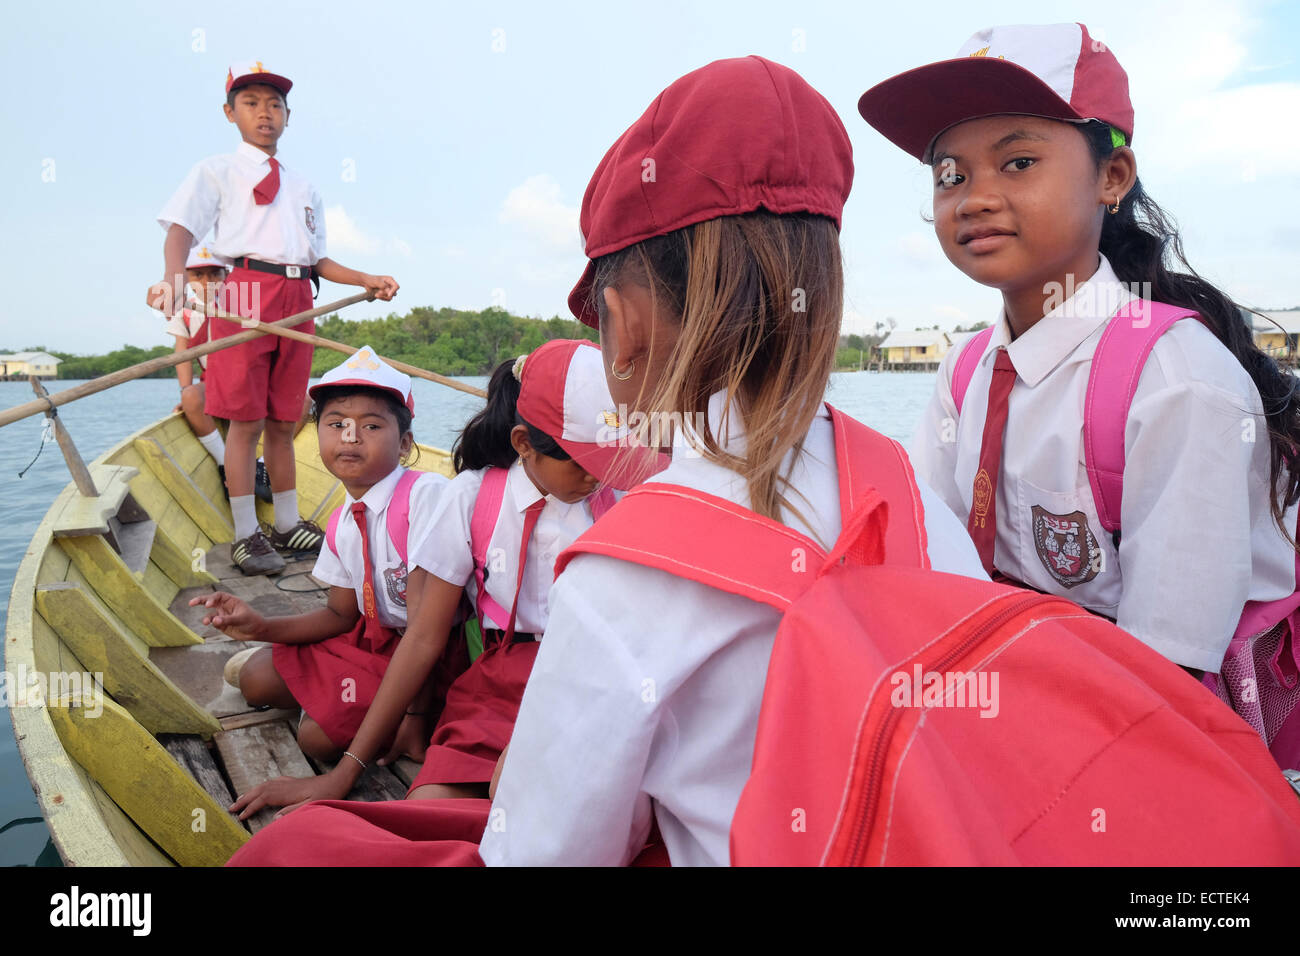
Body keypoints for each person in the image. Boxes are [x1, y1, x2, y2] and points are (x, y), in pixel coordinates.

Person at [226, 55, 985, 867]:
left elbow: (549, 853)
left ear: (621, 324)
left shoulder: (629, 573)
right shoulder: (926, 511)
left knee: (297, 850)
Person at [858, 23, 1300, 763]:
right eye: (951, 175)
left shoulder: (1174, 380)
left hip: (1160, 748)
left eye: (1019, 161)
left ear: (1112, 178)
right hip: (1015, 715)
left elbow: (1170, 675)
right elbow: (933, 580)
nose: (974, 198)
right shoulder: (965, 370)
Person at [222, 339, 663, 822]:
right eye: (581, 461)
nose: (599, 476)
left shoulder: (620, 494)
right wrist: (344, 773)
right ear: (523, 444)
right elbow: (423, 635)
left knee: (594, 804)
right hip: (502, 672)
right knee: (429, 814)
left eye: (608, 458)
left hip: (593, 673)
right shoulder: (471, 498)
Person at [148, 61, 400, 575]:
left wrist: (364, 280)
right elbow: (180, 231)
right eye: (251, 103)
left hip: (298, 295)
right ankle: (247, 534)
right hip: (241, 290)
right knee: (244, 423)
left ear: (288, 116)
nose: (265, 113)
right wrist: (175, 277)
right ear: (229, 113)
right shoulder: (215, 170)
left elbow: (317, 259)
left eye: (275, 105)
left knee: (285, 419)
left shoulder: (304, 187)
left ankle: (287, 524)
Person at [192, 348, 448, 770]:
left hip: (426, 658)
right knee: (255, 682)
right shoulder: (343, 519)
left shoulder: (426, 498)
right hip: (371, 642)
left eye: (370, 425)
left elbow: (426, 635)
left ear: (404, 444)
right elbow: (339, 616)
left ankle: (362, 706)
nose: (350, 437)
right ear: (318, 437)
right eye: (336, 424)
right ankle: (337, 697)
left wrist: (413, 715)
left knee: (317, 740)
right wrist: (261, 625)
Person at [165, 240, 272, 502]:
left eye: (215, 274)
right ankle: (226, 463)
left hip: (247, 380)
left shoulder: (241, 303)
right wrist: (184, 391)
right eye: (198, 275)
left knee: (301, 404)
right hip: (212, 383)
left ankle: (259, 464)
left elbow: (258, 346)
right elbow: (183, 355)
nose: (207, 281)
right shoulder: (185, 312)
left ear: (227, 275)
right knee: (191, 397)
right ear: (188, 279)